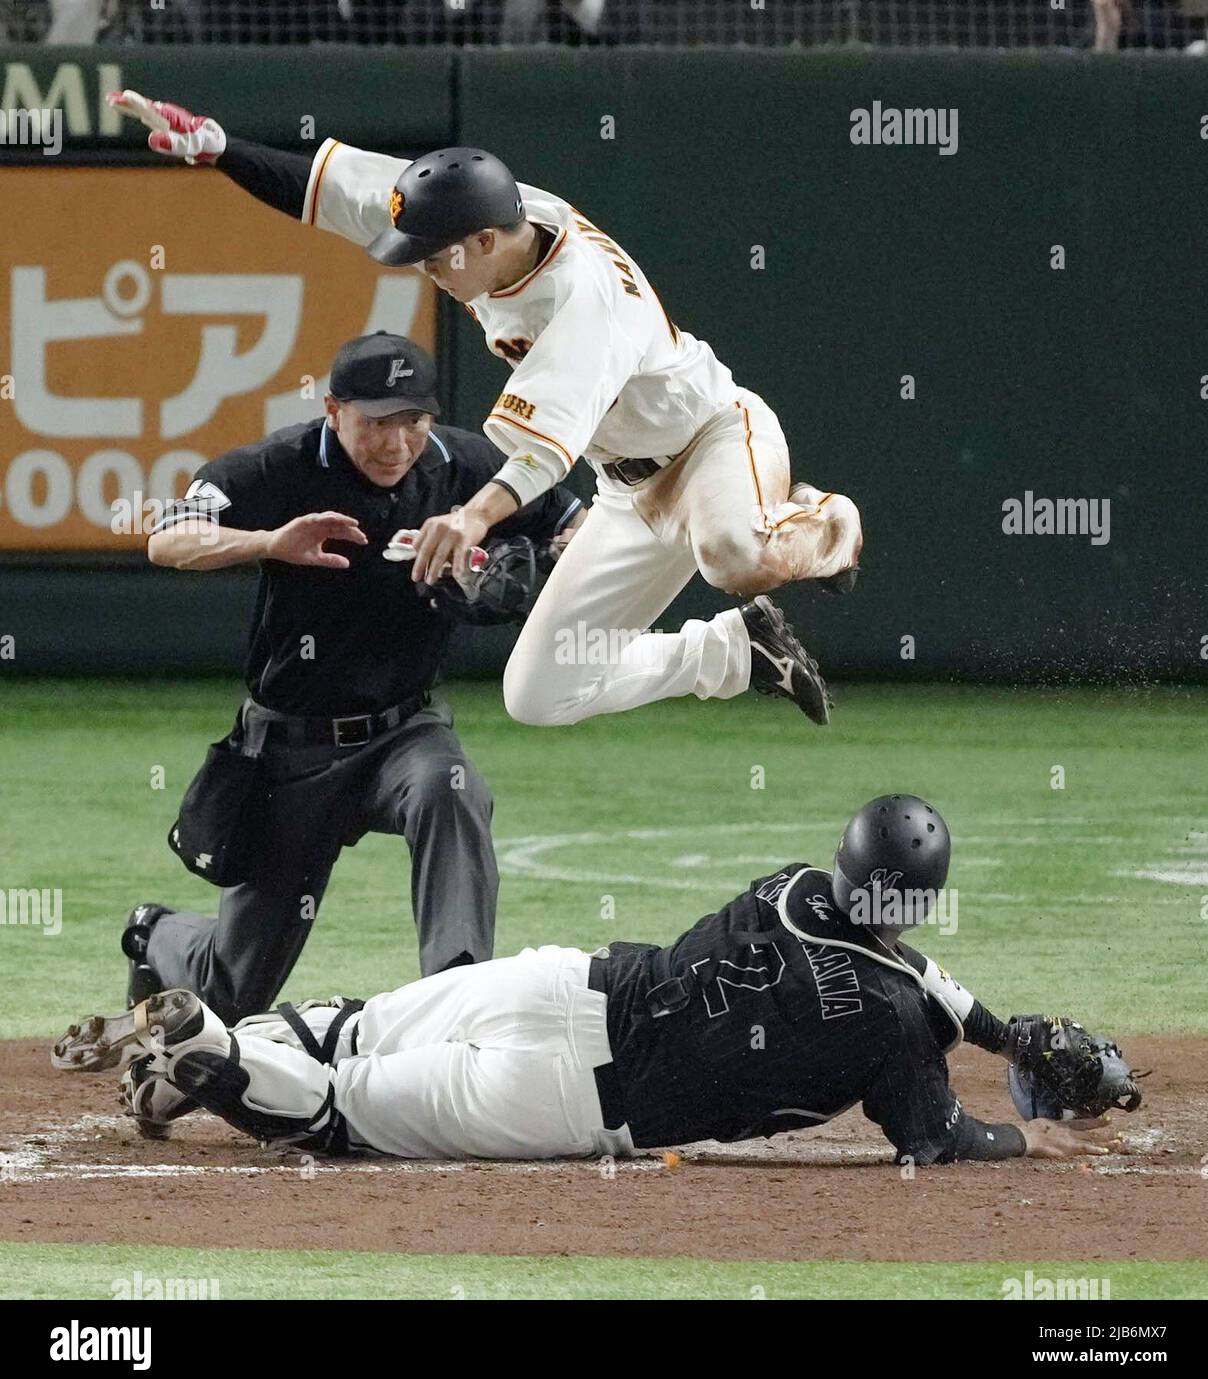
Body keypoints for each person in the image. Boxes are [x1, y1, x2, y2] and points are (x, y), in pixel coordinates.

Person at [105, 90, 864, 730]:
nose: (428, 269)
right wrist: (217, 147)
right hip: (628, 490)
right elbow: (325, 191)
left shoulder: (582, 297)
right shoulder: (478, 217)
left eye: (437, 256)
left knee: (732, 554)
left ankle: (823, 524)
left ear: (483, 239)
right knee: (540, 693)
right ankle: (738, 653)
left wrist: (471, 517)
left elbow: (539, 452)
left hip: (711, 441)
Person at [54, 795, 1136, 1164]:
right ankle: (213, 1054)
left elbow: (881, 951)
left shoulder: (793, 887)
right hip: (570, 1100)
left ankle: (217, 1050)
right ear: (922, 901)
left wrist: (992, 1026)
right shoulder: (897, 1028)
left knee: (344, 1032)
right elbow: (931, 1137)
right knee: (339, 1116)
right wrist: (1015, 1124)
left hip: (556, 979)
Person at [121, 330, 583, 1136]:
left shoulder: (466, 468)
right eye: (374, 421)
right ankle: (156, 934)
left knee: (451, 786)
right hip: (289, 750)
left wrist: (551, 562)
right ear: (333, 410)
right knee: (231, 994)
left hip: (404, 735)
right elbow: (168, 536)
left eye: (411, 419)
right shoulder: (280, 468)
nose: (395, 441)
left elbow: (574, 522)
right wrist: (266, 542)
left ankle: (462, 1004)